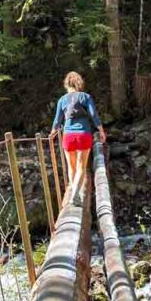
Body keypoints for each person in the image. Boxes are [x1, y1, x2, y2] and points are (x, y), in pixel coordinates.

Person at [50, 71, 106, 204]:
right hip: (83, 134)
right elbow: (94, 115)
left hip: (68, 136)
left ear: (66, 84)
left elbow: (57, 121)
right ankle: (75, 194)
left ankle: (74, 194)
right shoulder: (85, 97)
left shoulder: (62, 100)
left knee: (71, 167)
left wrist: (52, 133)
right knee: (81, 166)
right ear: (79, 83)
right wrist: (101, 131)